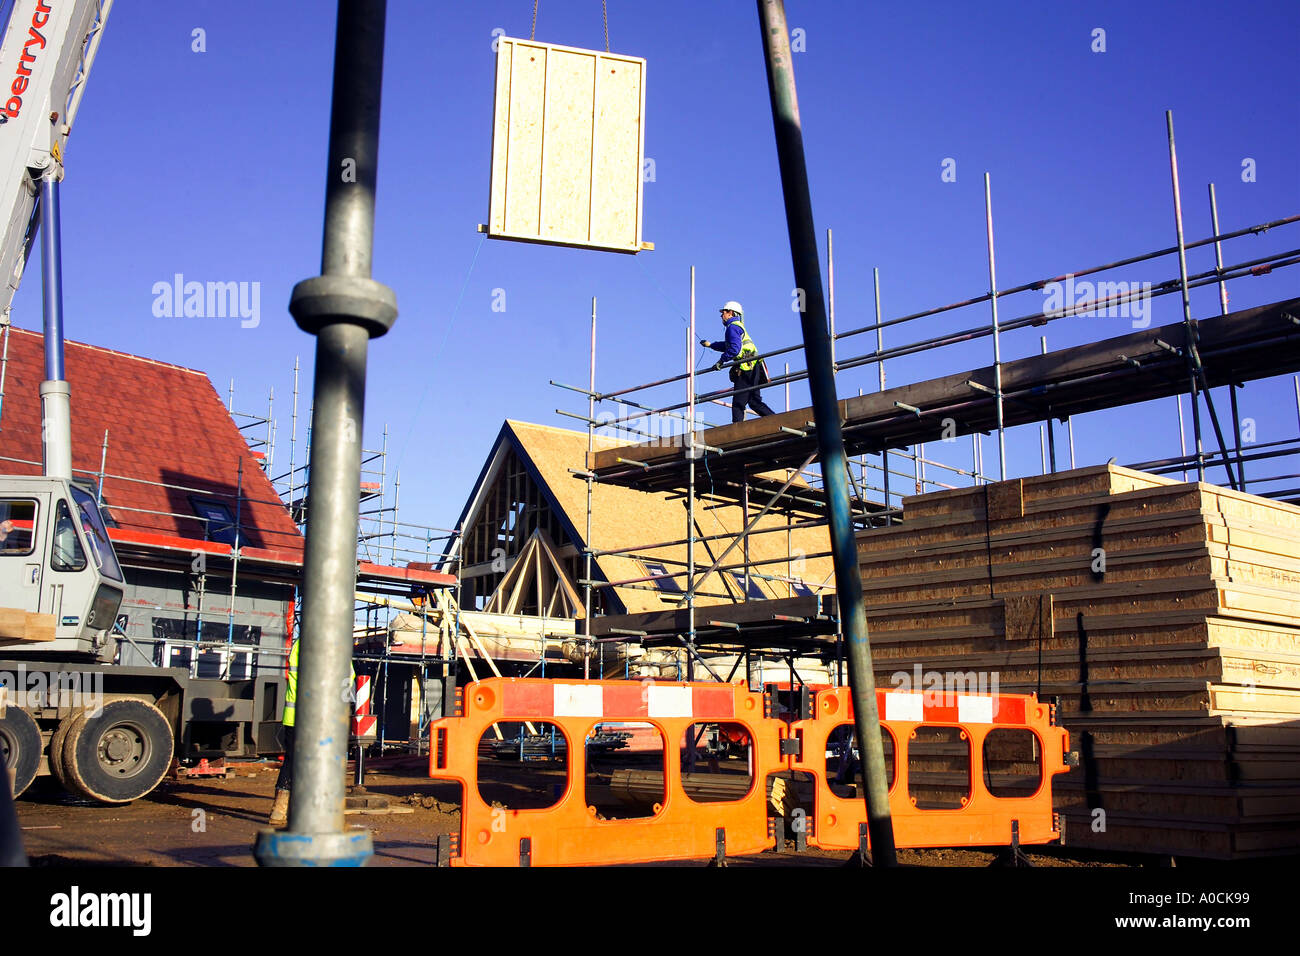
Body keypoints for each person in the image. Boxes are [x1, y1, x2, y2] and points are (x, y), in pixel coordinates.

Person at [268, 638, 355, 826]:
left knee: (291, 760)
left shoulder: (300, 643)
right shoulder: (333, 638)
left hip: (294, 716)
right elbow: (347, 677)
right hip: (321, 718)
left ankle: (279, 809)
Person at [701, 300, 776, 423]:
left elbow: (734, 349)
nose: (721, 316)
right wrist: (711, 345)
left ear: (730, 313)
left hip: (746, 367)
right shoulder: (737, 327)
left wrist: (721, 361)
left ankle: (736, 430)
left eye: (723, 312)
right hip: (754, 365)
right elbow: (728, 345)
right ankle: (777, 420)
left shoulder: (732, 328)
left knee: (738, 403)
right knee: (754, 402)